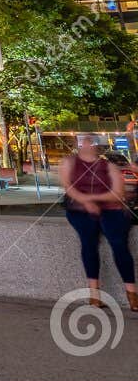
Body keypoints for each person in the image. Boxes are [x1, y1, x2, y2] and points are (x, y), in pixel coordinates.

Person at [58, 133, 137, 312]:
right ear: (77, 144)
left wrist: (92, 199)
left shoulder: (108, 166)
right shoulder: (69, 163)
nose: (87, 143)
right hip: (81, 210)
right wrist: (86, 202)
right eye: (82, 140)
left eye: (91, 140)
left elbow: (117, 192)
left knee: (119, 245)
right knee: (88, 244)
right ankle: (94, 295)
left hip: (111, 209)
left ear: (97, 145)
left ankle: (132, 294)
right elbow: (69, 188)